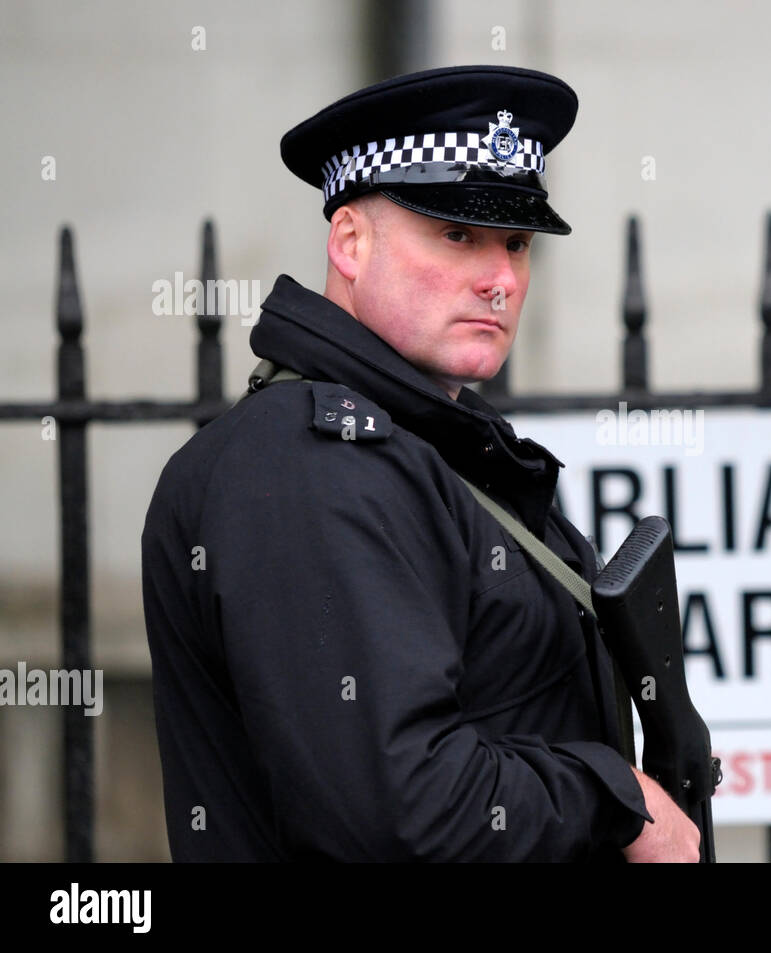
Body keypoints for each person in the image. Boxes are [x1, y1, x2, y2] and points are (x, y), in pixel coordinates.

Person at [141, 64, 701, 862]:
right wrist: (618, 799)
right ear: (350, 243)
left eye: (516, 243)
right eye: (457, 235)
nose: (502, 278)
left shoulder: (422, 447)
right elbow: (396, 811)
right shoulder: (309, 464)